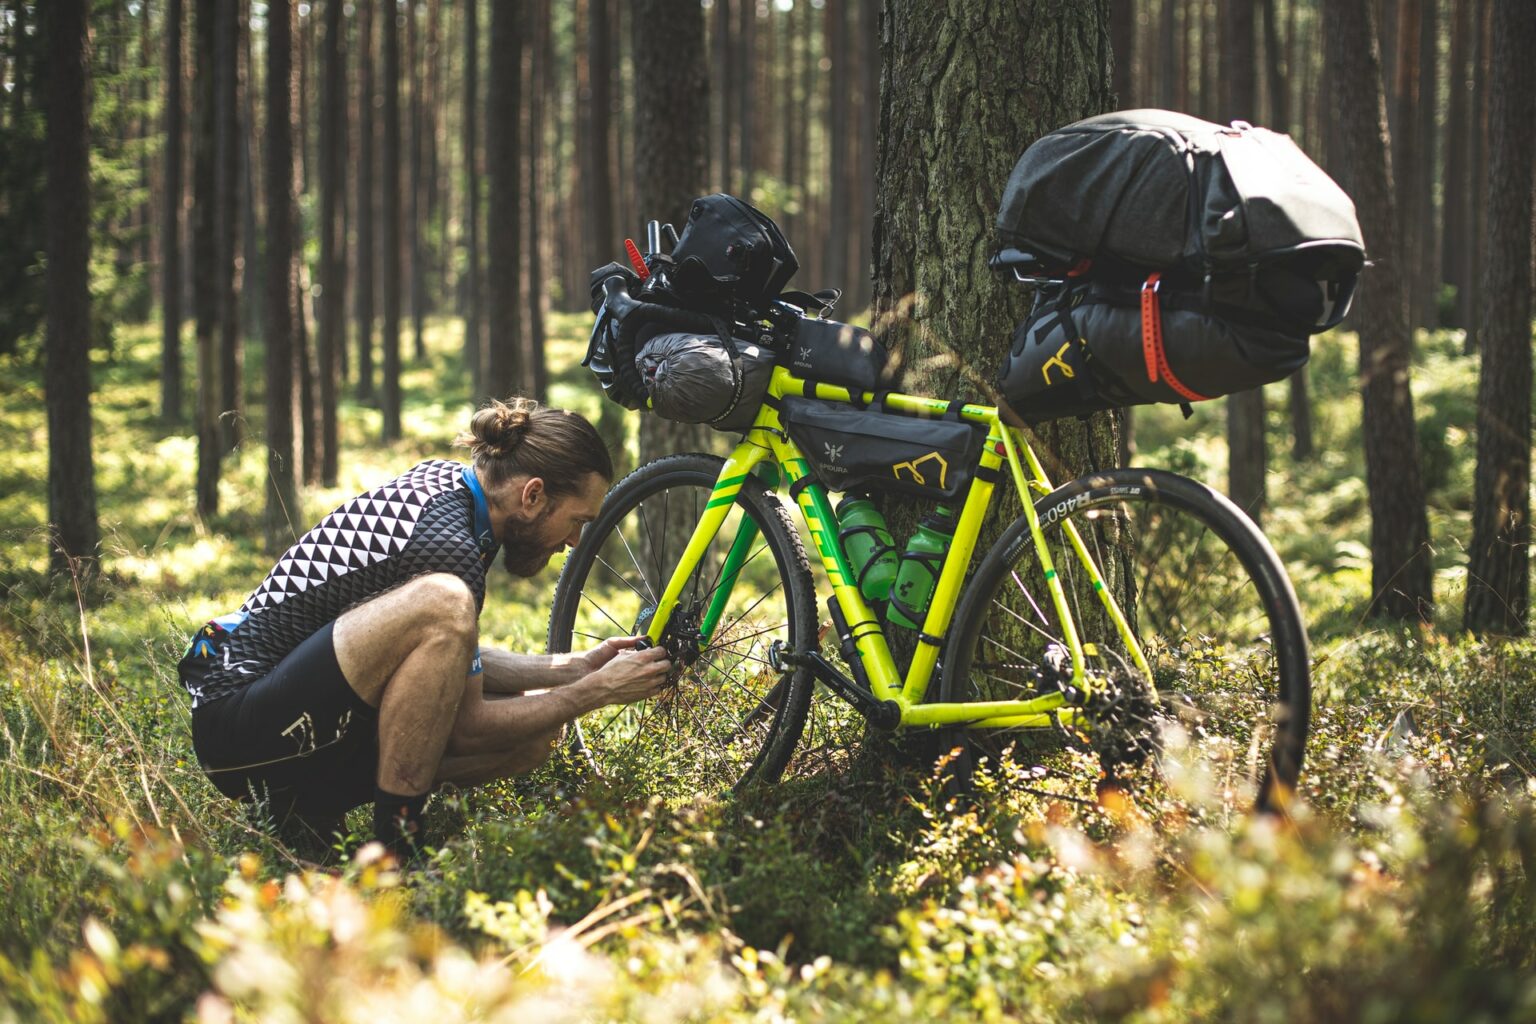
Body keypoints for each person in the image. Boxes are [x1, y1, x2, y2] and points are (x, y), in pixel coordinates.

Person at [177, 398, 672, 860]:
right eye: (576, 520)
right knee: (447, 603)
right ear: (533, 495)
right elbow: (469, 726)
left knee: (534, 736)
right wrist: (595, 692)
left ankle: (305, 813)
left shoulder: (455, 495)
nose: (574, 540)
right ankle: (397, 853)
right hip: (238, 728)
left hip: (285, 717)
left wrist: (575, 668)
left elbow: (445, 658)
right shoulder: (449, 554)